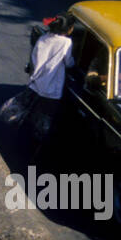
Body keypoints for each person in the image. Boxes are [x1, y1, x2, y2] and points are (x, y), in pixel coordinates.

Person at [25, 15, 76, 146]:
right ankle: (38, 140)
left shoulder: (43, 38)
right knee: (46, 114)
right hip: (52, 86)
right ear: (69, 29)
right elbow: (68, 62)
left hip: (36, 82)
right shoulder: (66, 43)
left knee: (34, 109)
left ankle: (28, 134)